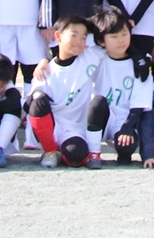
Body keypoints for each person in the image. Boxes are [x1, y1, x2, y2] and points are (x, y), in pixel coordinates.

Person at [28, 15, 105, 168]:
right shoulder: (46, 70)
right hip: (51, 128)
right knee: (37, 101)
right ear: (58, 36)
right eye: (74, 35)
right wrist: (43, 61)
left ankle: (65, 152)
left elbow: (114, 44)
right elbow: (31, 105)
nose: (79, 41)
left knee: (75, 157)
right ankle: (50, 151)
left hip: (75, 130)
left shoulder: (89, 57)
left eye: (83, 37)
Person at [89, 6, 154, 165]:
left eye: (125, 34)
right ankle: (93, 153)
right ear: (101, 41)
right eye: (114, 36)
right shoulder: (95, 58)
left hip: (124, 119)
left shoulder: (140, 65)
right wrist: (43, 63)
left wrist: (128, 127)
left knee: (126, 147)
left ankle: (122, 151)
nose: (121, 40)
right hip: (102, 117)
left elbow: (139, 103)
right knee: (97, 102)